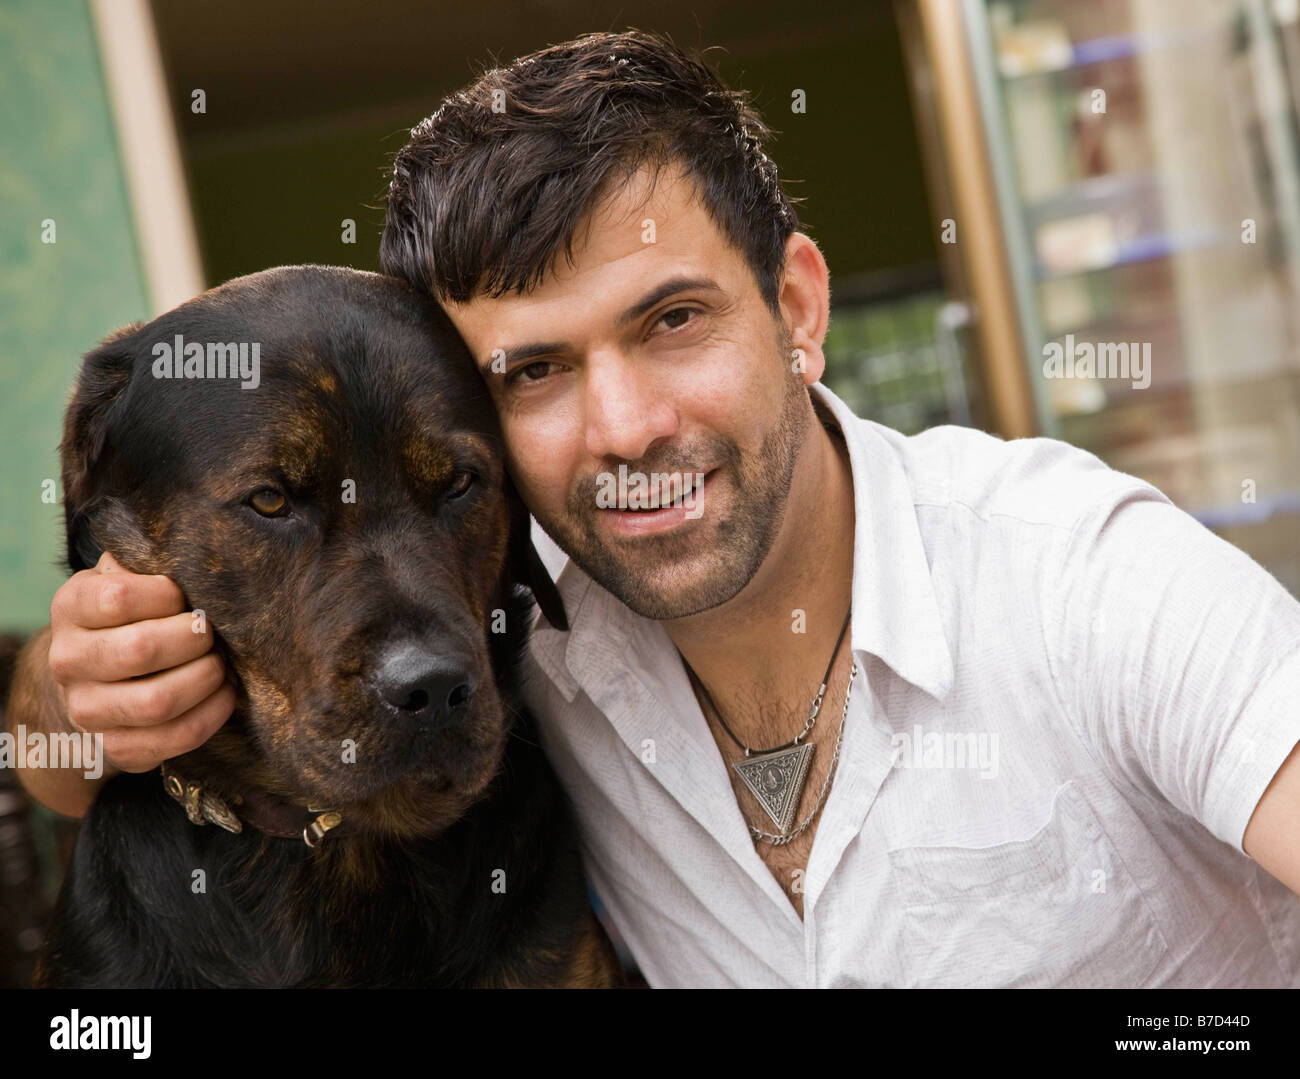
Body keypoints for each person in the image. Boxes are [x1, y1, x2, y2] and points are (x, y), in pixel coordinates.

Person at [9, 29, 1300, 988]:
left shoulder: (1082, 580)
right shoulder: (533, 625)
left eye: (673, 320)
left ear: (795, 307)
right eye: (537, 370)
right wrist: (81, 699)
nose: (626, 428)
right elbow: (57, 776)